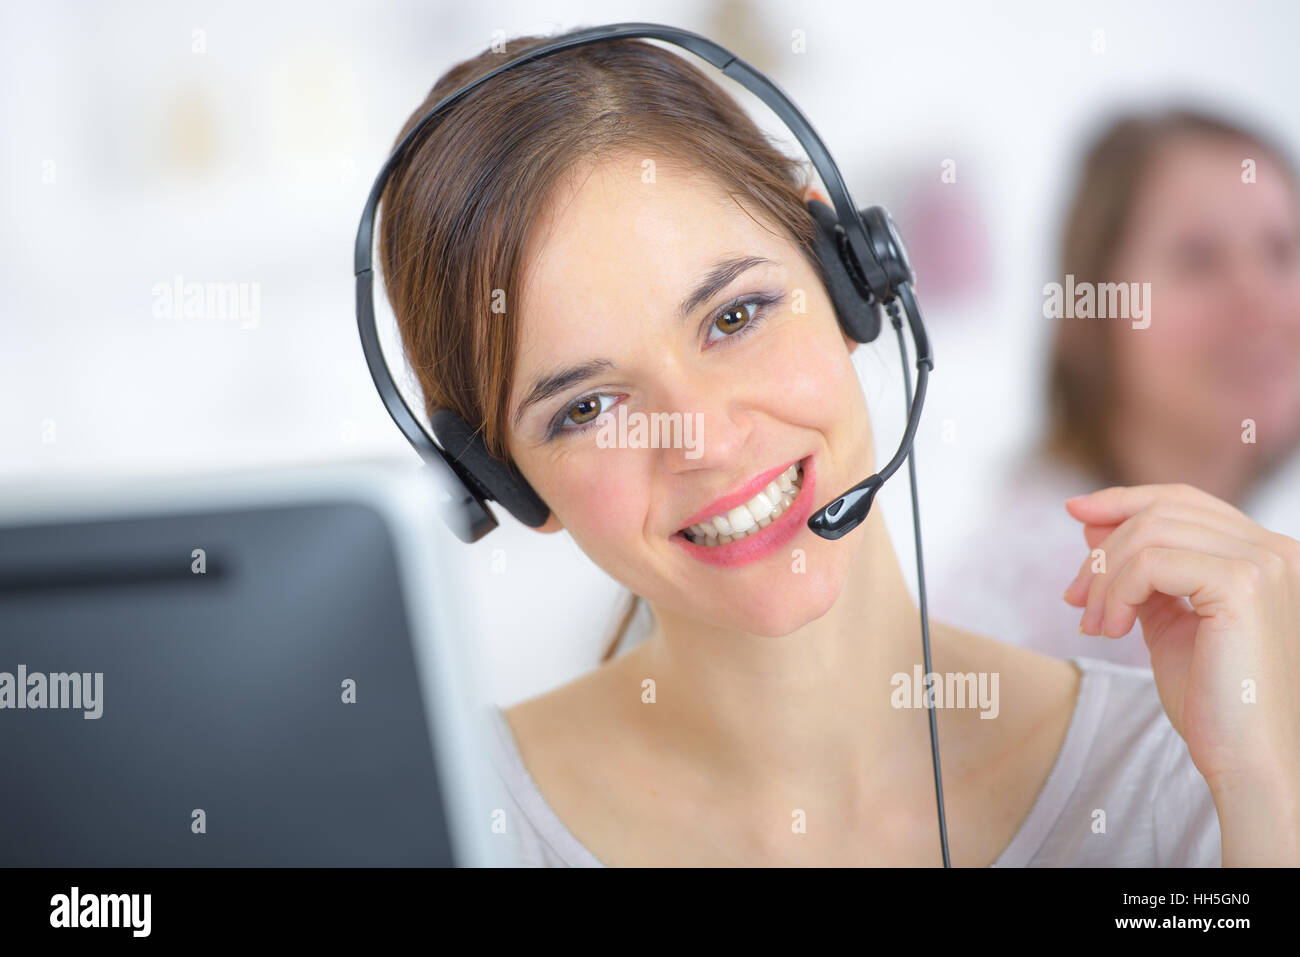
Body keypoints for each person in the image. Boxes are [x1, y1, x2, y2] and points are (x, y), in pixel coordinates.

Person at [376, 31, 1300, 866]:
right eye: (587, 406)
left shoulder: (1193, 776)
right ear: (492, 480)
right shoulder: (453, 827)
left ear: (852, 276)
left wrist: (1264, 802)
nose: (704, 437)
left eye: (735, 316)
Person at [933, 108, 1300, 669]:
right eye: (1198, 259)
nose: (1262, 300)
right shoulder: (1036, 598)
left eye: (1280, 251)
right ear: (1094, 313)